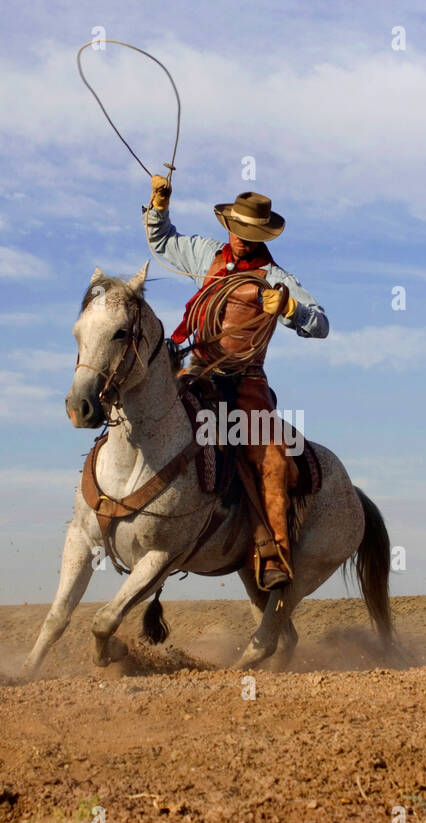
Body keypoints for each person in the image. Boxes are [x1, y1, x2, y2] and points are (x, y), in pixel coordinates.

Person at [144, 176, 328, 590]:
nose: (241, 240)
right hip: (192, 368)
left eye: (251, 234)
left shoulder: (275, 277)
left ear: (263, 236)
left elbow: (321, 324)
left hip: (244, 382)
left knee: (273, 460)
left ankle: (273, 553)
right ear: (228, 226)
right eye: (237, 231)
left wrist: (291, 308)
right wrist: (159, 206)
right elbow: (163, 242)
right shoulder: (206, 254)